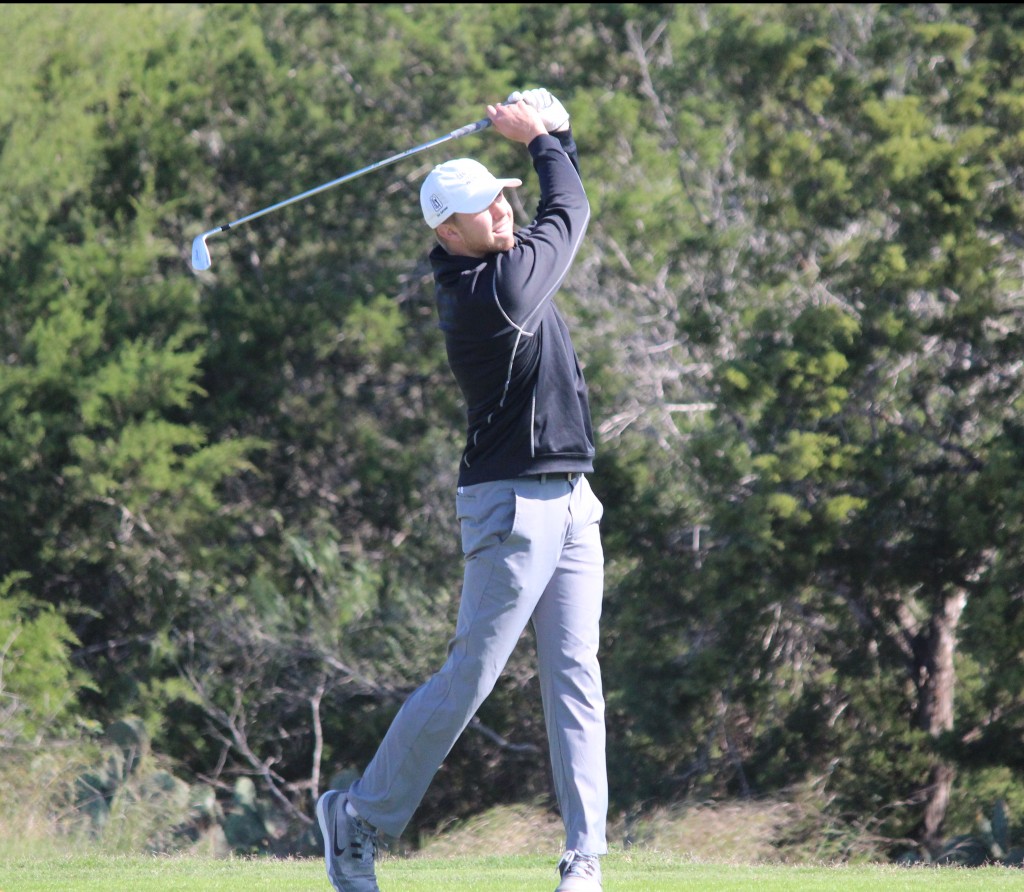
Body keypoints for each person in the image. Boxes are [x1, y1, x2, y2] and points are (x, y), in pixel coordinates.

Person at [317, 88, 607, 892]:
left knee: (576, 675)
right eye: (485, 207)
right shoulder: (493, 295)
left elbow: (556, 203)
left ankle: (584, 857)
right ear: (449, 232)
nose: (503, 211)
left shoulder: (503, 262)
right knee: (470, 676)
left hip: (572, 498)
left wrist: (557, 136)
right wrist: (541, 140)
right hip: (510, 504)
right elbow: (571, 212)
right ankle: (358, 817)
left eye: (502, 197)